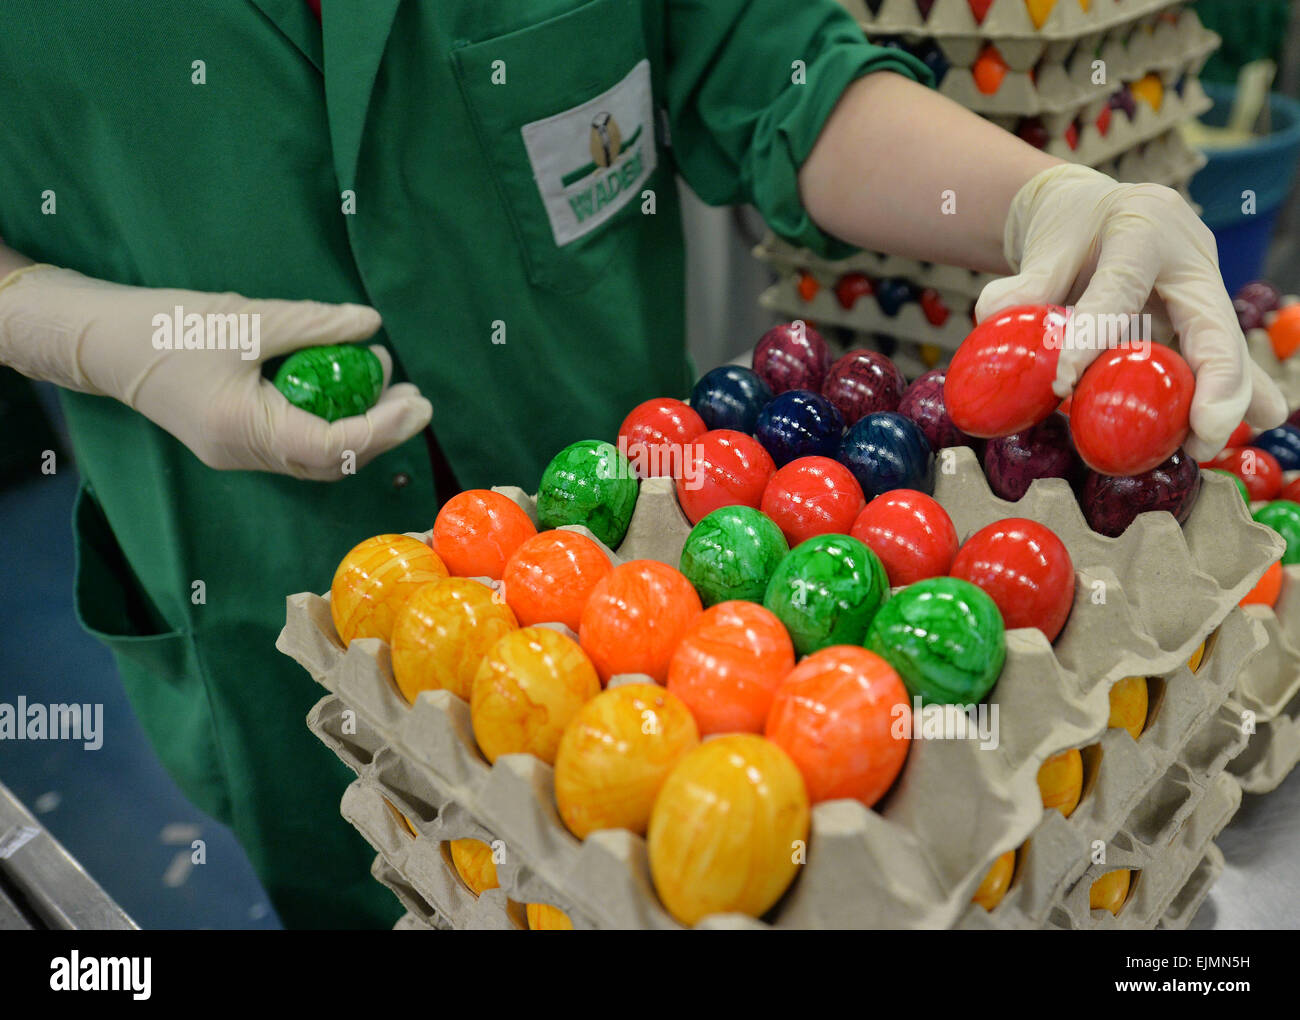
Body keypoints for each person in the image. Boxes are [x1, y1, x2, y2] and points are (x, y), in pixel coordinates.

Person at [0, 2, 1283, 928]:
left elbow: (778, 72)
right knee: (386, 869)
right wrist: (75, 328)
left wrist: (1031, 198)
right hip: (260, 579)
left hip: (653, 534)